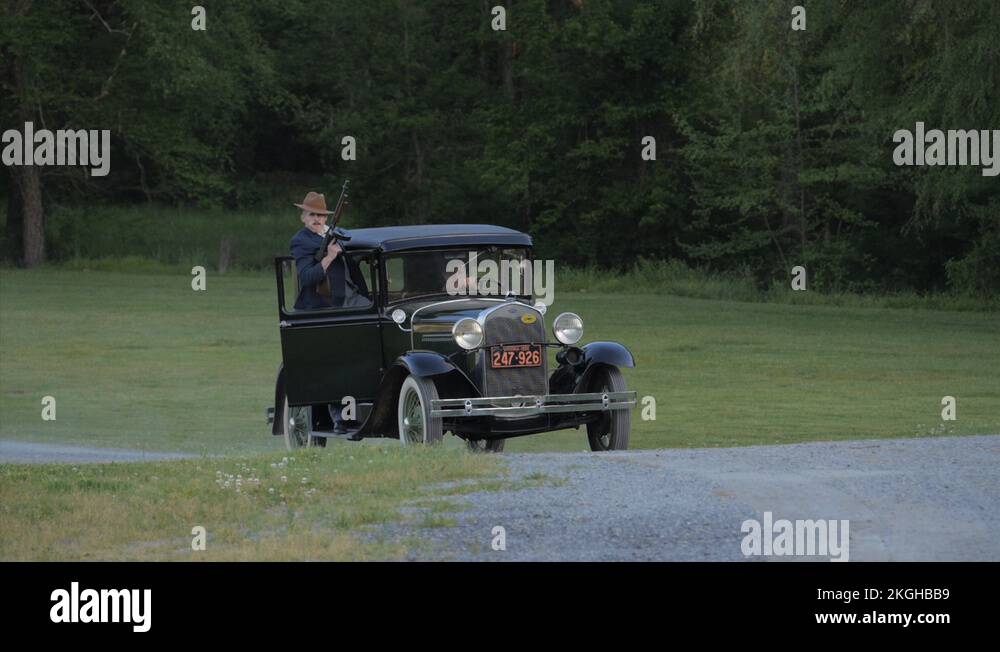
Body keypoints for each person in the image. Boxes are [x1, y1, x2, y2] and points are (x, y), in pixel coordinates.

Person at [289, 191, 371, 434]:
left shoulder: (340, 234)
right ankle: (341, 418)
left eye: (321, 215)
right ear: (303, 217)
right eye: (312, 215)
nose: (317, 219)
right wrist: (329, 257)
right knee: (336, 359)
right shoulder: (301, 241)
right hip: (324, 308)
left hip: (353, 299)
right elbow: (307, 277)